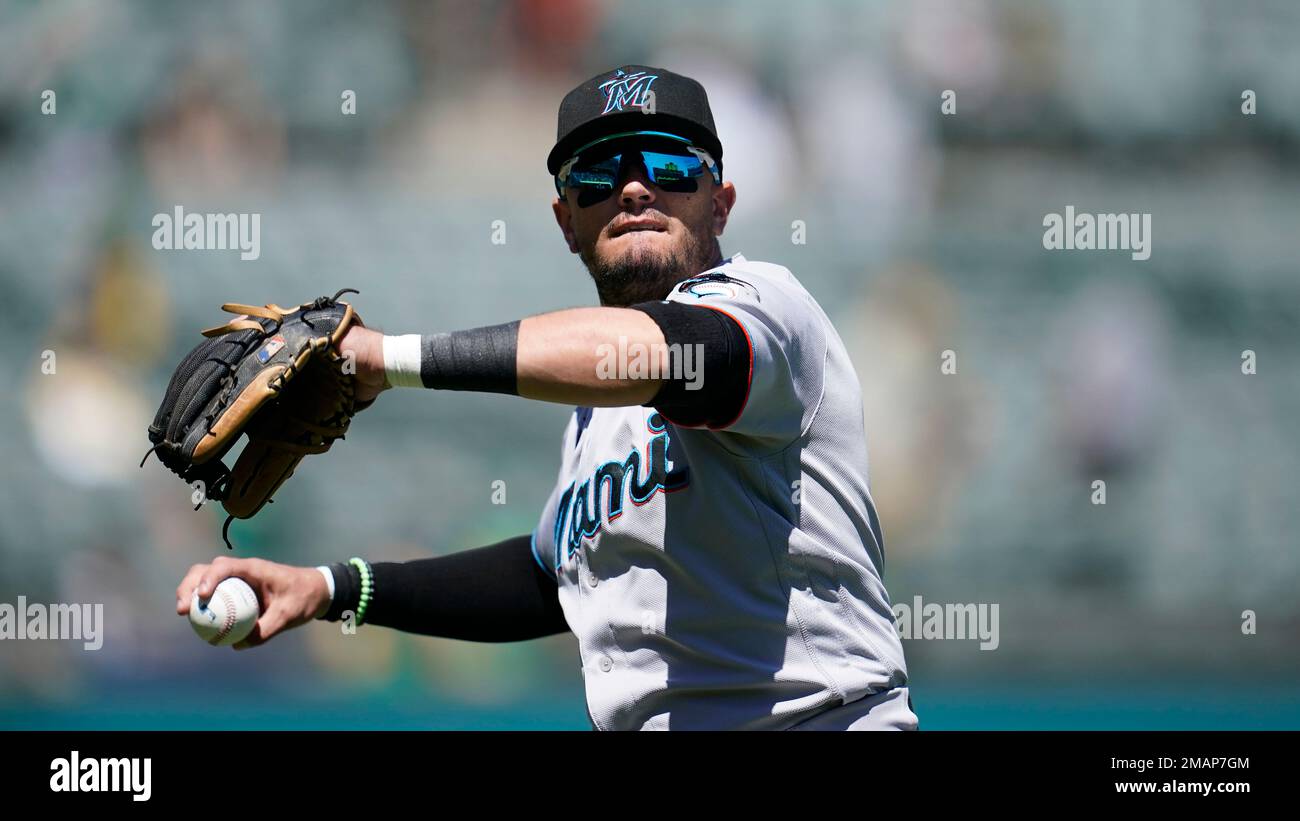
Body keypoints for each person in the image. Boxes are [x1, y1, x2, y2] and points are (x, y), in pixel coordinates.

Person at [175, 65, 918, 731]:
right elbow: (545, 579)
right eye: (596, 173)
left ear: (719, 204)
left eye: (667, 164)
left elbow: (679, 352)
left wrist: (385, 357)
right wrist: (328, 587)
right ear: (566, 220)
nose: (634, 187)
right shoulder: (595, 416)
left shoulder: (766, 308)